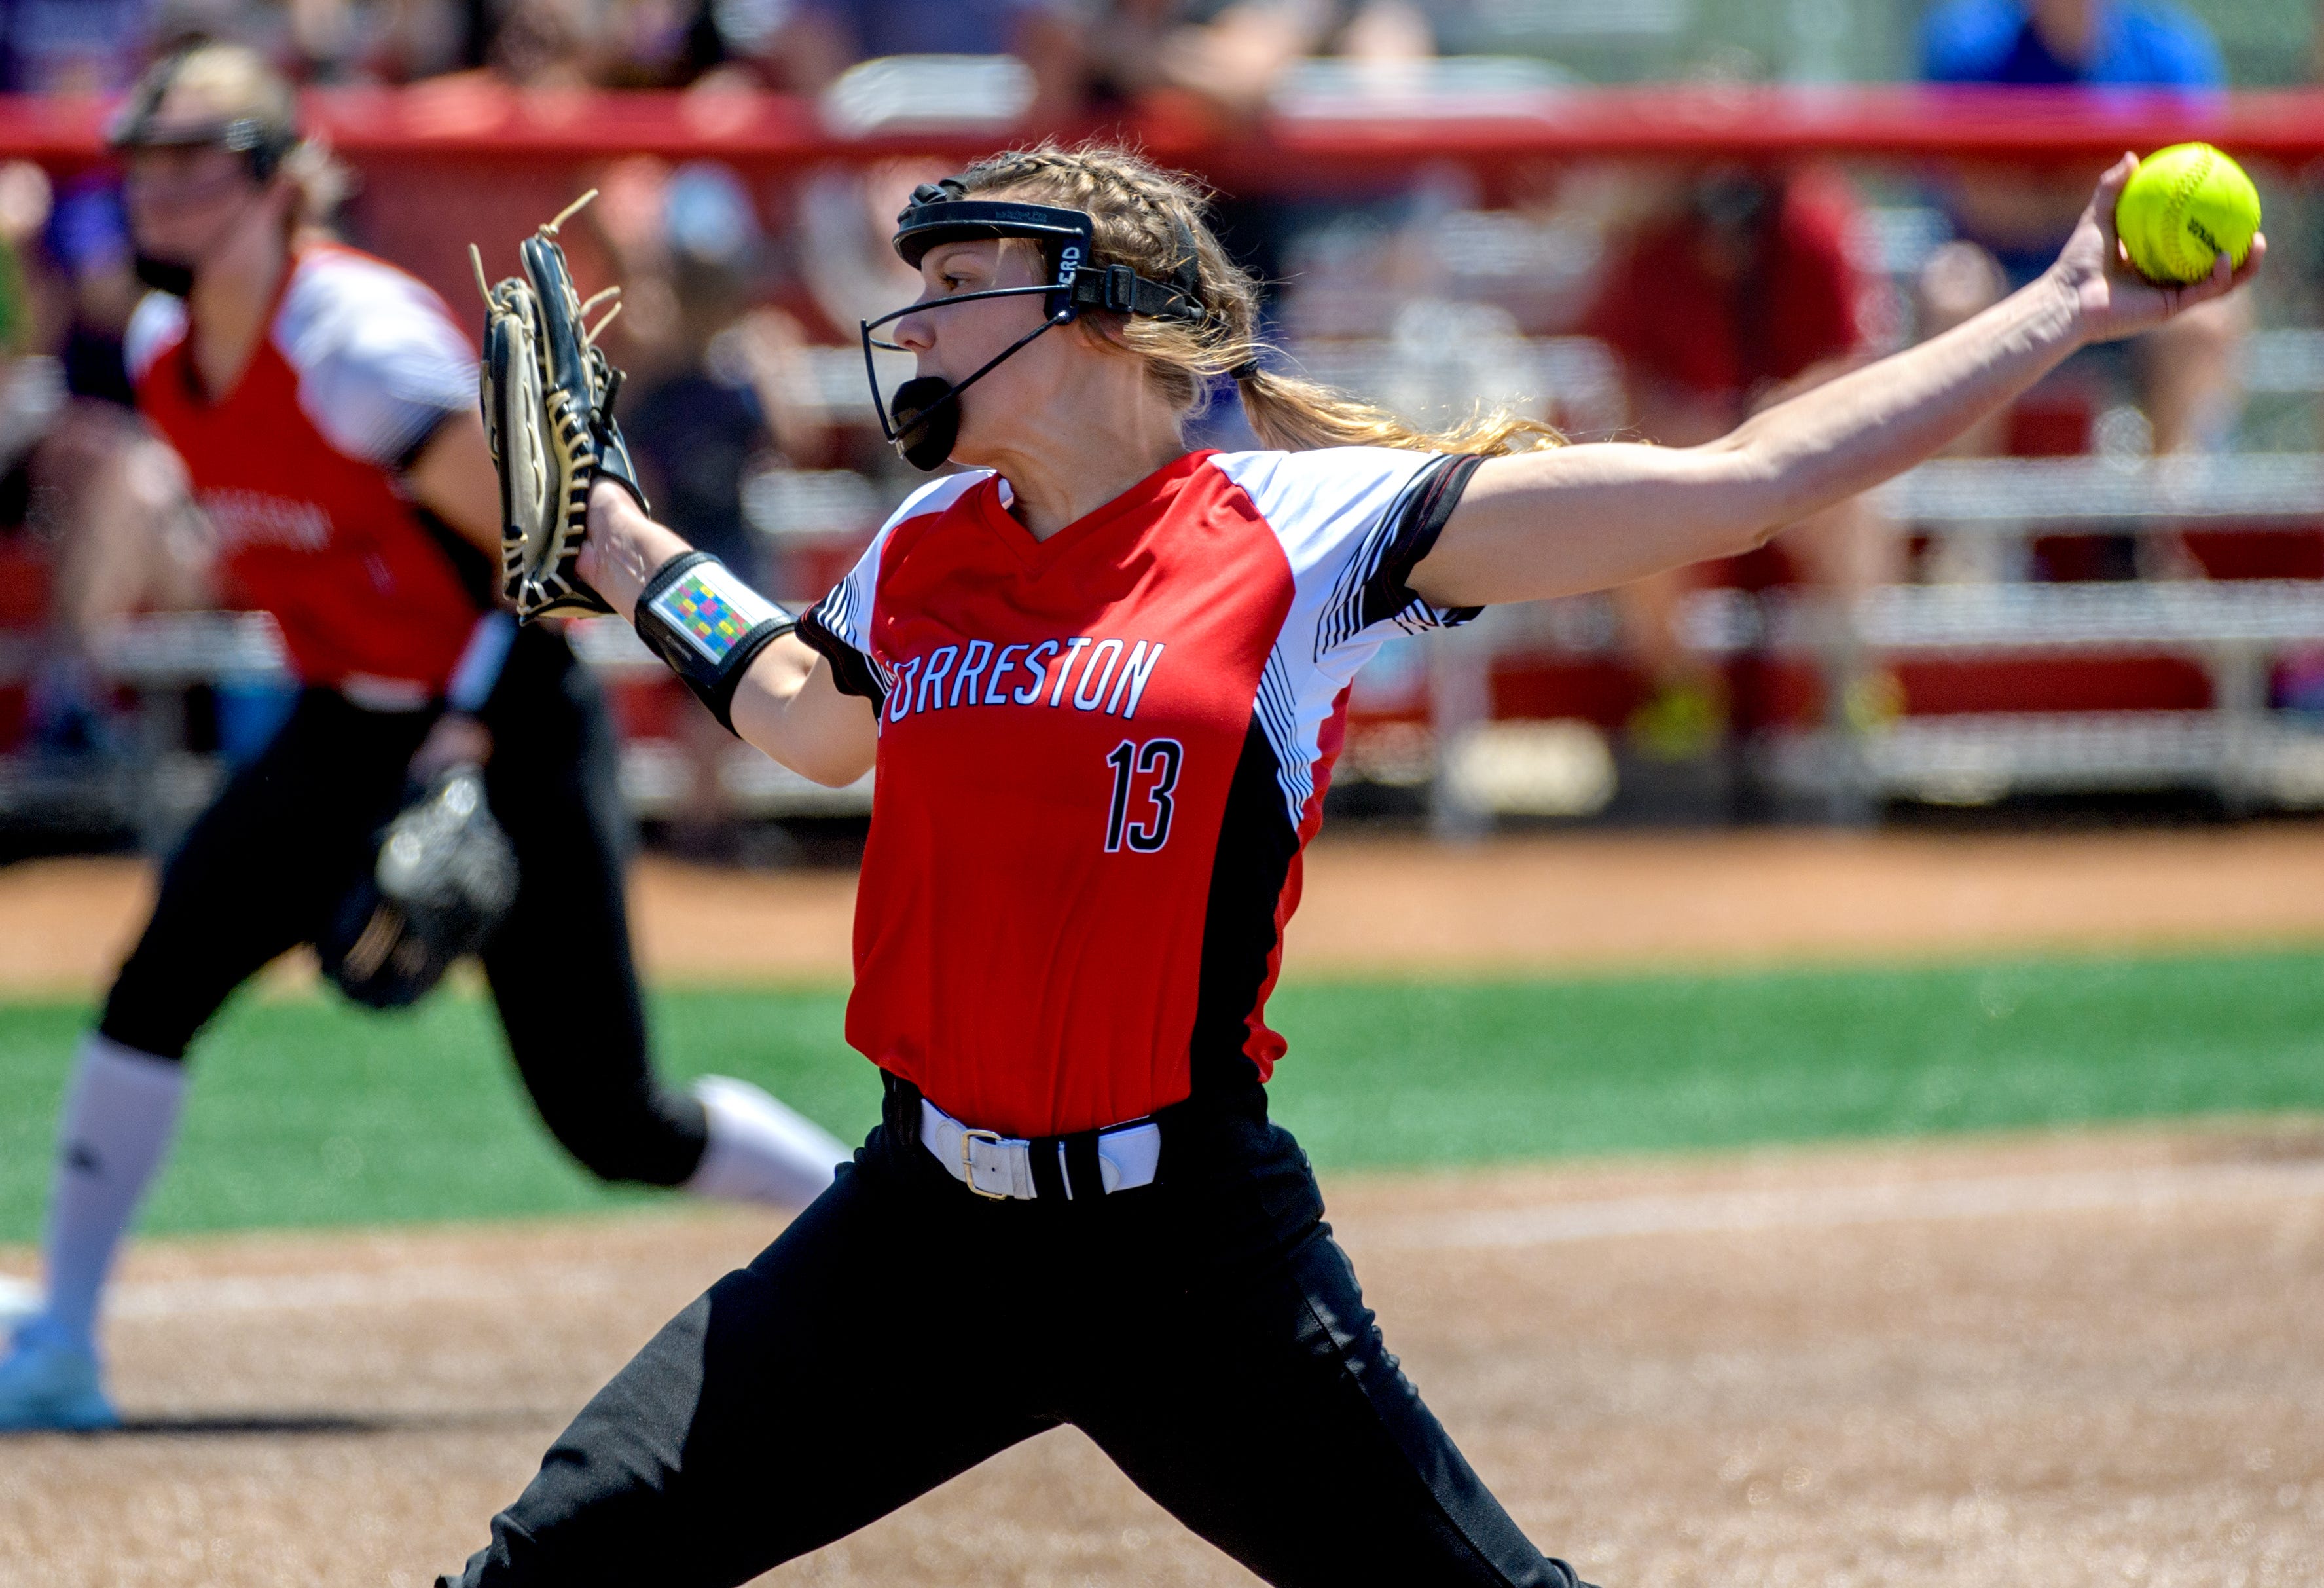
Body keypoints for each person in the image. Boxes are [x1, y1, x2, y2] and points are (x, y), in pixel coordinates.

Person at [438, 141, 2255, 1587]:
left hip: (1185, 1262)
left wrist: (2061, 309)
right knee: (551, 1563)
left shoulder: (1305, 534)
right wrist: (614, 542)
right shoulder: (925, 542)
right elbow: (810, 721)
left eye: (958, 283)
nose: (906, 323)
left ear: (1095, 315)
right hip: (915, 1236)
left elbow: (1739, 485)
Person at [0, 42, 848, 1435]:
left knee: (612, 1119)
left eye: (194, 162)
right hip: (353, 716)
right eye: (141, 163)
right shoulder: (166, 354)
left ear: (282, 184)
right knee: (156, 985)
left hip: (502, 718)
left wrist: (459, 742)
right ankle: (65, 1345)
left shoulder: (357, 345)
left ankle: (893, 1230)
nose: (156, 193)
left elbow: (543, 559)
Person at [1586, 165, 1896, 761]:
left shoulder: (1816, 227)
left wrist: (1772, 422)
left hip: (1797, 459)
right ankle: (1679, 694)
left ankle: (1849, 685)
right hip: (1691, 465)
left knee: (1854, 500)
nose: (1724, 246)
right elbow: (1625, 381)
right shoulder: (1650, 239)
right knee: (1624, 504)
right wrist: (1697, 432)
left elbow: (1854, 366)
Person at [1920, 0, 2245, 465]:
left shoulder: (2167, 48)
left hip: (2131, 276)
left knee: (2203, 322)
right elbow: (1983, 204)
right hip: (2007, 279)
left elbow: (2200, 190)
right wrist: (2101, 196)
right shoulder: (1968, 42)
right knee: (1954, 289)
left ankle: (2153, 529)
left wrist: (2045, 187)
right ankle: (1968, 532)